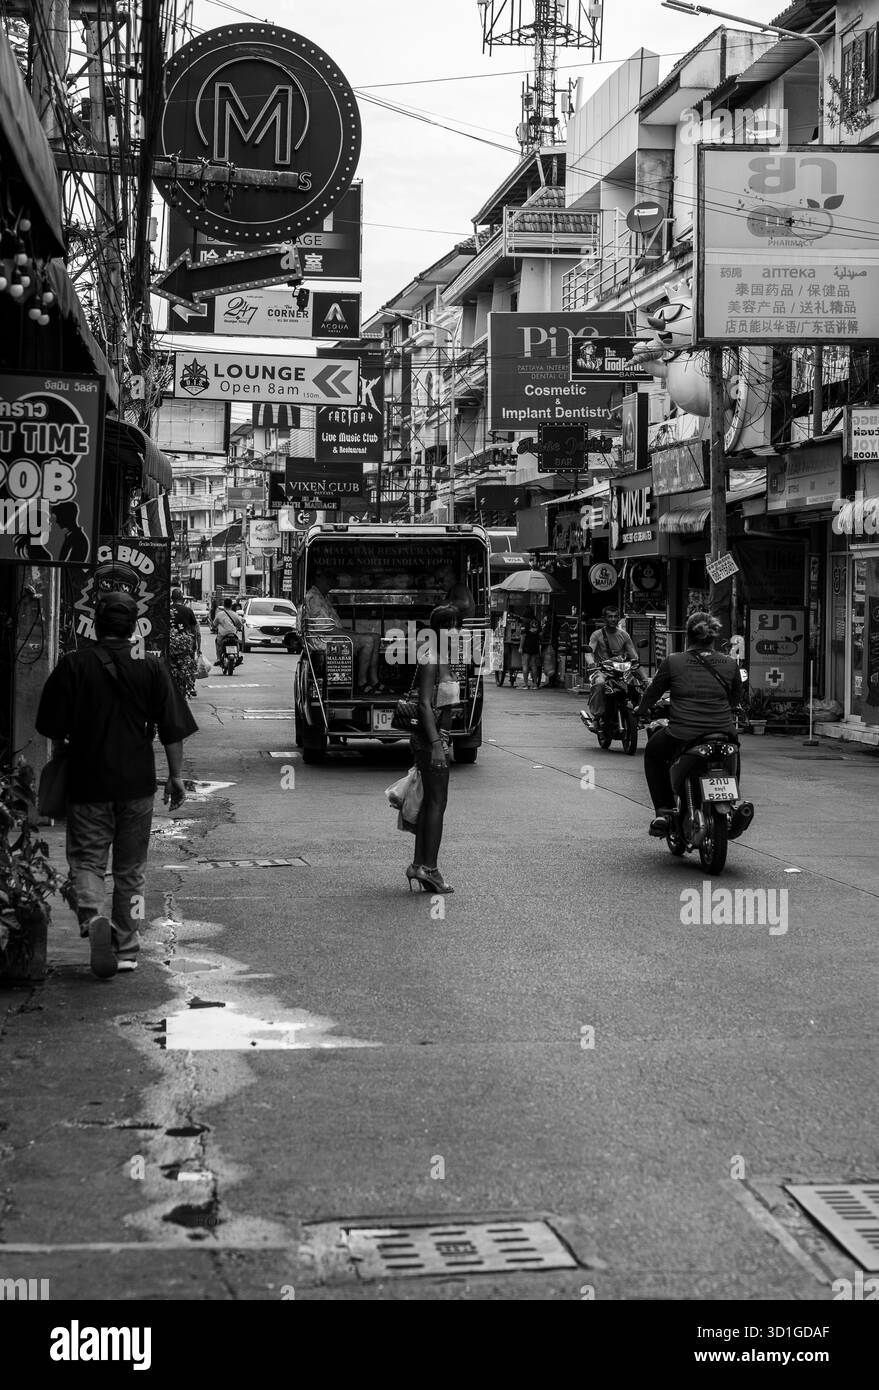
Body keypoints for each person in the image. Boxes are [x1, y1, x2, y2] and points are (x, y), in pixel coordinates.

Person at [35, 591, 198, 978]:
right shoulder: (151, 667)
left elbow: (49, 726)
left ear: (96, 623)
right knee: (131, 871)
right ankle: (125, 948)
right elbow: (171, 729)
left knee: (88, 862)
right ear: (133, 626)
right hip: (137, 784)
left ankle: (93, 916)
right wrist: (175, 777)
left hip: (88, 780)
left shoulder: (74, 665)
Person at [636, 610, 753, 838]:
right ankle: (731, 802)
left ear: (687, 636)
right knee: (733, 755)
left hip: (684, 733)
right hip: (724, 733)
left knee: (653, 754)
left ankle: (663, 812)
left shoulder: (674, 661)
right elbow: (735, 699)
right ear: (713, 636)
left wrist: (640, 709)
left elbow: (653, 693)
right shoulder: (729, 664)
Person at [405, 604, 460, 895]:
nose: (456, 630)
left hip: (439, 737)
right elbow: (425, 703)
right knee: (437, 803)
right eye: (450, 625)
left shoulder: (442, 656)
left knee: (430, 802)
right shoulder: (431, 657)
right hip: (430, 739)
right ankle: (431, 870)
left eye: (457, 625)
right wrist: (438, 745)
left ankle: (419, 866)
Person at [304, 570, 384, 694]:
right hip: (324, 641)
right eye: (328, 578)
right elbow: (326, 628)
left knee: (375, 637)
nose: (331, 581)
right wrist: (354, 636)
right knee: (367, 641)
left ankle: (374, 681)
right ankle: (361, 683)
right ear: (319, 579)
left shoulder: (321, 596)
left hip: (332, 636)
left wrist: (354, 635)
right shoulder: (314, 598)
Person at [584, 605, 642, 725]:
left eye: (615, 616)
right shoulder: (596, 635)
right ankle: (597, 715)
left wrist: (635, 661)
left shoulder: (624, 635)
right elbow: (589, 652)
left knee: (641, 683)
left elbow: (633, 654)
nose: (613, 619)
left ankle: (639, 713)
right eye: (610, 616)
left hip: (620, 670)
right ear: (604, 619)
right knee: (599, 683)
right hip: (602, 670)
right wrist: (591, 664)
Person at [212, 598, 244, 666]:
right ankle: (237, 655)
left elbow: (214, 624)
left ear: (224, 605)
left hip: (222, 635)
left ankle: (218, 658)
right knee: (236, 642)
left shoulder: (219, 614)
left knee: (218, 643)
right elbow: (239, 624)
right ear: (231, 605)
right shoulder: (235, 614)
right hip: (233, 634)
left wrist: (215, 627)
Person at [519, 611, 543, 690]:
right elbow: (540, 634)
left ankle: (526, 684)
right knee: (533, 665)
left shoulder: (525, 622)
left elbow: (523, 636)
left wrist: (521, 647)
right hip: (535, 646)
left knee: (525, 665)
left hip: (526, 646)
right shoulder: (536, 622)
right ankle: (535, 684)